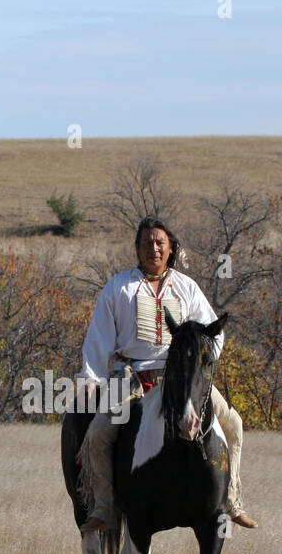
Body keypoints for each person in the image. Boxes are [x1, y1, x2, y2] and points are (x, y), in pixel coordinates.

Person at [78, 216, 256, 534]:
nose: (153, 248)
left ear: (170, 248)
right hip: (134, 375)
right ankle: (105, 507)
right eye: (147, 242)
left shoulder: (187, 287)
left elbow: (213, 332)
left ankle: (232, 500)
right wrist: (91, 377)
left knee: (234, 423)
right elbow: (98, 336)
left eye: (160, 242)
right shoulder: (118, 287)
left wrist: (201, 364)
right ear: (137, 248)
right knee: (98, 433)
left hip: (184, 378)